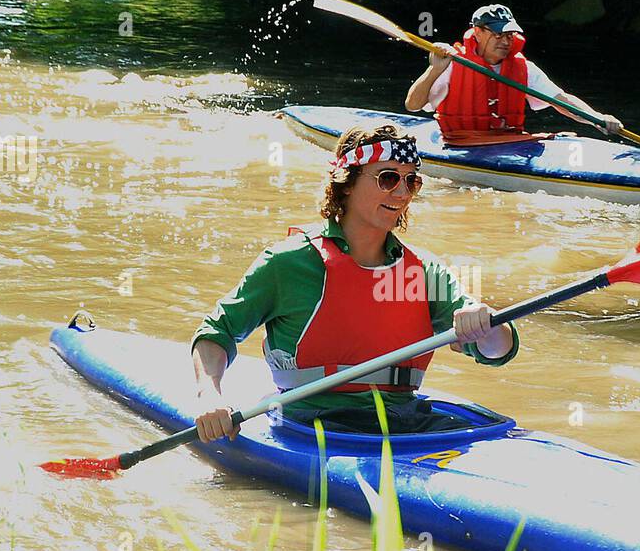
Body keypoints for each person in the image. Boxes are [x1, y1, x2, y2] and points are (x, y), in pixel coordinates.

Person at [191, 123, 518, 441]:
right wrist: (210, 396)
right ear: (346, 182)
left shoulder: (424, 270)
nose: (402, 193)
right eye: (388, 179)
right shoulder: (288, 262)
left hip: (404, 421)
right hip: (316, 421)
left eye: (411, 181)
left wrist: (487, 326)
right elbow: (216, 333)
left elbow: (496, 351)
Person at [404, 3, 623, 144]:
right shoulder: (452, 63)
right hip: (459, 142)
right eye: (498, 34)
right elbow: (412, 105)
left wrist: (597, 119)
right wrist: (435, 70)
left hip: (509, 142)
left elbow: (562, 101)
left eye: (510, 34)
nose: (506, 41)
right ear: (478, 32)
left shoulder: (523, 68)